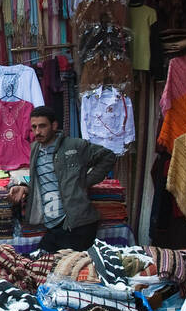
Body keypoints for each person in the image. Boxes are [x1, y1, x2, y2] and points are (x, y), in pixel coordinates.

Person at [9, 107, 115, 253]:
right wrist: (24, 188)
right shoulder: (35, 149)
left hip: (77, 224)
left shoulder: (74, 146)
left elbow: (108, 156)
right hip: (53, 225)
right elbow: (41, 181)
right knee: (40, 264)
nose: (37, 132)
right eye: (34, 127)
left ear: (54, 125)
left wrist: (86, 181)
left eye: (42, 126)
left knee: (72, 271)